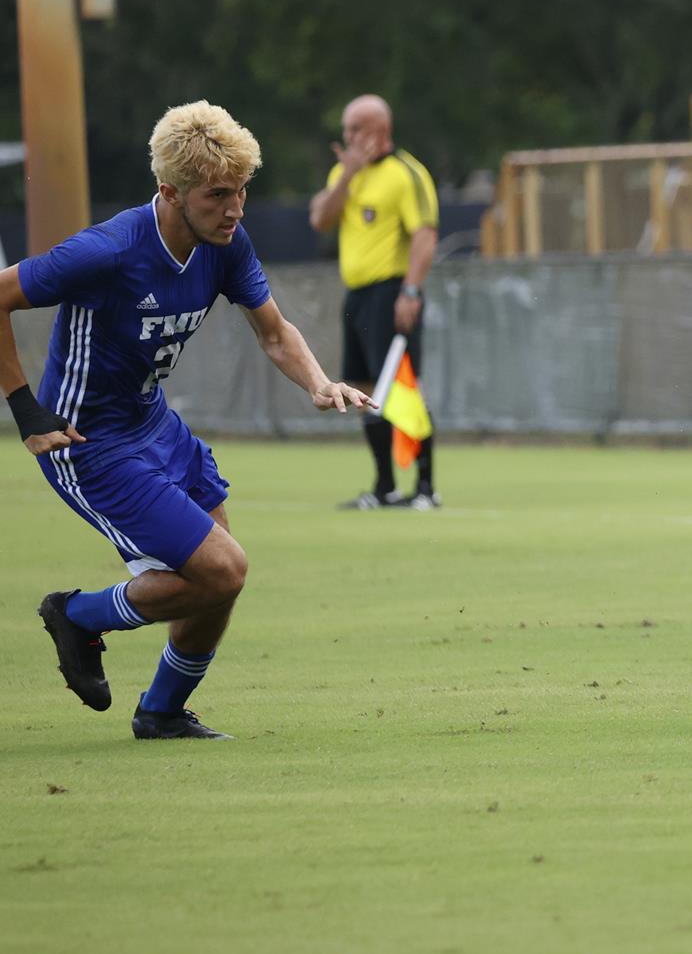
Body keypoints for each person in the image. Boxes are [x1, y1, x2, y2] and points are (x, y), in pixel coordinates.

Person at [1, 102, 372, 739]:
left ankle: (162, 711)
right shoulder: (109, 249)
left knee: (216, 582)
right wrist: (25, 409)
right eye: (218, 195)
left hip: (154, 426)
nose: (235, 209)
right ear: (169, 192)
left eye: (243, 191)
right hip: (88, 442)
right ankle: (81, 615)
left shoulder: (225, 244)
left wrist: (319, 383)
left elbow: (276, 333)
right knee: (224, 569)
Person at [308, 93, 442, 509]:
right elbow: (320, 219)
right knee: (365, 390)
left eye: (355, 129)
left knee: (402, 388)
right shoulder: (344, 173)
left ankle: (425, 488)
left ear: (380, 131)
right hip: (358, 296)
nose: (347, 137)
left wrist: (411, 290)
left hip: (391, 293)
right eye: (345, 130)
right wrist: (347, 176)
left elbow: (424, 234)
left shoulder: (406, 173)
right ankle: (384, 486)